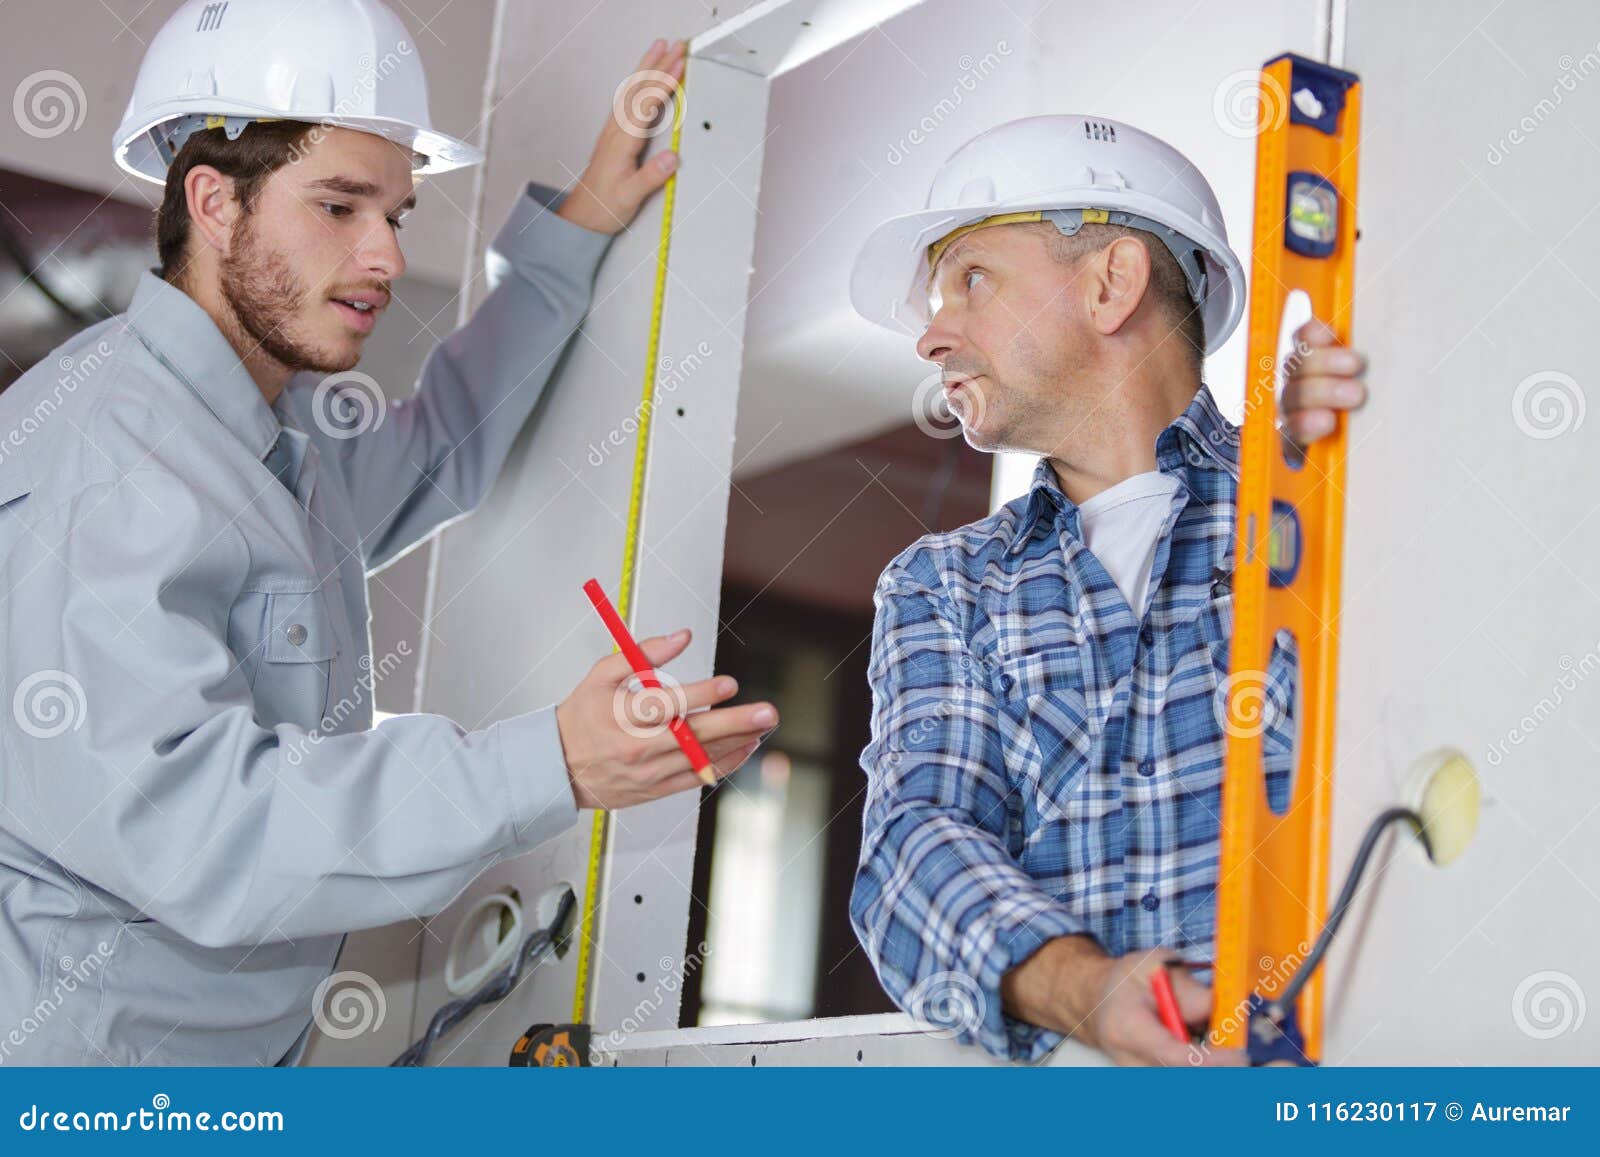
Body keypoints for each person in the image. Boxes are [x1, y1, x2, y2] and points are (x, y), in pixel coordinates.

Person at [0, 0, 775, 1066]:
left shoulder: (260, 439)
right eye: (339, 206)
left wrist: (579, 225)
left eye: (397, 214)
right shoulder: (116, 460)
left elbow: (434, 453)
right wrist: (546, 761)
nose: (383, 256)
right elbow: (191, 826)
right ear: (212, 201)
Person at [845, 114, 1366, 1065]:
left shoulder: (1322, 504)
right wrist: (1083, 989)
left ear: (1110, 282)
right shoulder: (948, 587)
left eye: (971, 279)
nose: (931, 335)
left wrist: (1362, 452)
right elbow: (914, 846)